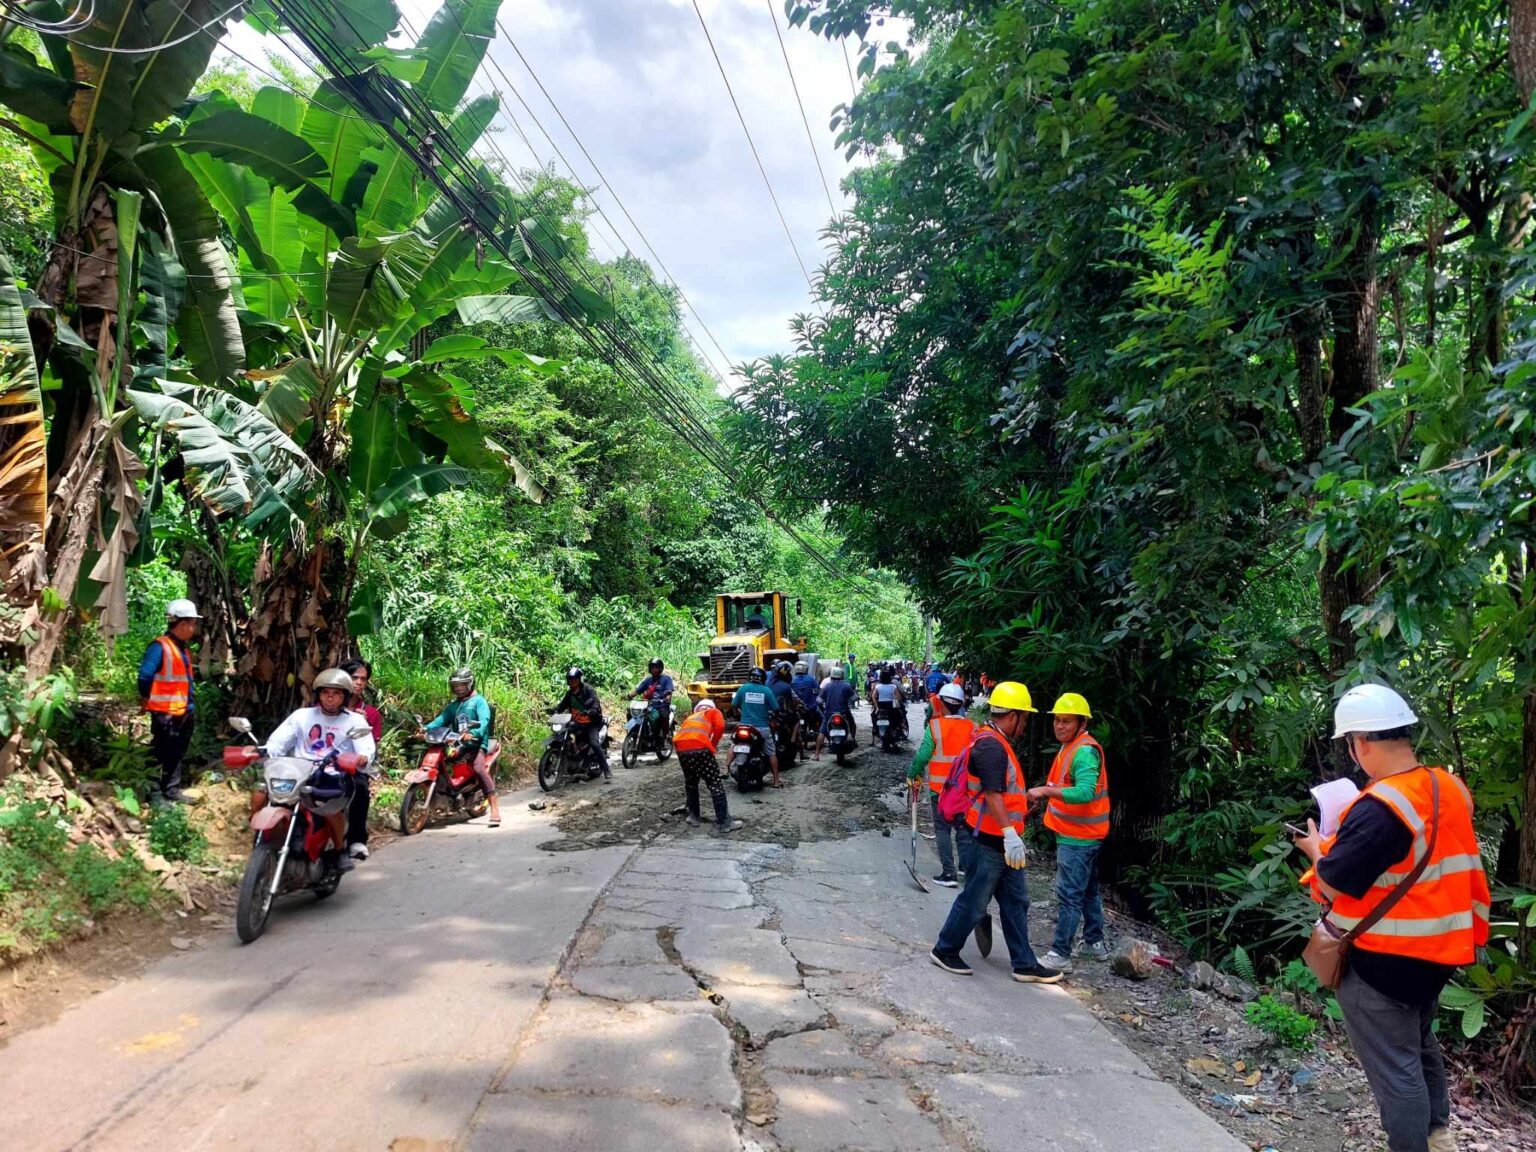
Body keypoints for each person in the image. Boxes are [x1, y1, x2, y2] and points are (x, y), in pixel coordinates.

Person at [1294, 685, 1488, 1152]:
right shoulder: (1449, 788)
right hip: (1441, 953)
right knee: (1420, 1048)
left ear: (1359, 742)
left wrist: (1316, 849)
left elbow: (1338, 882)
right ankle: (1437, 1134)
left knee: (1397, 1072)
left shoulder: (1383, 806)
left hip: (1383, 962)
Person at [929, 681, 1062, 984]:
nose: (1025, 725)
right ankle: (945, 949)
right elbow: (992, 795)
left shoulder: (993, 742)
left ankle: (1024, 963)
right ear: (1012, 715)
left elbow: (1003, 793)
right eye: (1025, 718)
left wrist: (1025, 801)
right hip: (989, 841)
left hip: (1001, 840)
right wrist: (1011, 835)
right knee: (975, 900)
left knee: (1016, 901)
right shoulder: (991, 746)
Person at [265, 668, 378, 872]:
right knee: (261, 793)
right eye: (326, 693)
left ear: (344, 696)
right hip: (298, 773)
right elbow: (277, 742)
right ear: (318, 694)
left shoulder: (355, 721)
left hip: (334, 774)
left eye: (336, 694)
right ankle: (264, 842)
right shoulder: (301, 716)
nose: (330, 698)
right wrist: (265, 751)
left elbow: (366, 750)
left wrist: (360, 759)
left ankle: (340, 850)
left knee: (330, 808)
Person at [1028, 693, 1110, 972]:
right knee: (1087, 891)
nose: (1059, 726)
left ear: (1081, 723)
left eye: (1066, 721)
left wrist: (1046, 791)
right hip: (1083, 834)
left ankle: (1060, 953)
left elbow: (1085, 792)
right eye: (1057, 720)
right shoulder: (1071, 746)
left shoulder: (1084, 751)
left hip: (1079, 837)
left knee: (1069, 895)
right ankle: (1094, 943)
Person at [907, 682, 975, 887]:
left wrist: (913, 773)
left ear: (941, 704)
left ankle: (948, 873)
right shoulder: (973, 727)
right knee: (963, 830)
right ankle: (965, 868)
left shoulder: (935, 726)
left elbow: (923, 755)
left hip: (941, 790)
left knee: (943, 829)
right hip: (965, 790)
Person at [138, 598, 201, 806]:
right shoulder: (160, 647)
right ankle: (155, 792)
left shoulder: (181, 648)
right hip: (165, 712)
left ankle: (172, 790)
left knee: (176, 751)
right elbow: (145, 676)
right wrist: (146, 699)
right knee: (159, 751)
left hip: (183, 710)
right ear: (183, 624)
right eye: (192, 623)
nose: (194, 628)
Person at [425, 668, 501, 828]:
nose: (459, 688)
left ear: (470, 684)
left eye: (462, 685)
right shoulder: (454, 706)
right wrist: (425, 728)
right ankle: (444, 795)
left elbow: (484, 720)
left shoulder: (479, 701)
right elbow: (440, 720)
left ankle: (494, 808)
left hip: (477, 743)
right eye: (456, 685)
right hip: (459, 743)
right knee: (442, 761)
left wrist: (473, 733)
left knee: (479, 768)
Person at [672, 699, 743, 835]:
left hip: (681, 750)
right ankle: (725, 822)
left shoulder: (690, 717)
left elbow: (681, 736)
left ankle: (693, 817)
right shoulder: (713, 712)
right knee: (714, 783)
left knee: (691, 782)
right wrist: (713, 745)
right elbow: (721, 726)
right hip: (701, 748)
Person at [338, 658, 382, 859]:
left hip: (352, 764)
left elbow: (370, 746)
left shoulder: (370, 713)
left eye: (363, 679)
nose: (359, 683)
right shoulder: (326, 703)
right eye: (354, 677)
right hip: (321, 760)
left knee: (361, 789)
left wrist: (361, 723)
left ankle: (357, 840)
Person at [731, 667, 782, 787]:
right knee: (771, 753)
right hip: (762, 728)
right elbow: (776, 709)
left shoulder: (743, 688)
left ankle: (726, 768)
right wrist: (775, 716)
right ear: (763, 679)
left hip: (744, 726)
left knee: (734, 744)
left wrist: (738, 714)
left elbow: (734, 705)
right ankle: (776, 781)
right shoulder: (766, 690)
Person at [553, 666, 608, 780]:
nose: (573, 682)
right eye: (570, 680)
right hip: (576, 722)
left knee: (594, 744)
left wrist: (593, 710)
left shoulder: (588, 690)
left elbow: (595, 702)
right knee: (562, 736)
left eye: (575, 680)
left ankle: (606, 769)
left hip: (591, 724)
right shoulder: (569, 694)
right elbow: (562, 706)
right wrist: (554, 710)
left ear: (580, 680)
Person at [814, 664, 859, 760]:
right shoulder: (846, 686)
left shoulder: (826, 687)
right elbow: (854, 698)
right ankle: (852, 738)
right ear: (842, 676)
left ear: (831, 675)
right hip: (844, 713)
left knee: (822, 731)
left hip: (829, 714)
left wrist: (823, 707)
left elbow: (818, 701)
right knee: (852, 723)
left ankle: (817, 754)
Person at [633, 658, 676, 748]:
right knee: (634, 715)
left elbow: (669, 692)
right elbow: (637, 691)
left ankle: (665, 737)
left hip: (662, 705)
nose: (654, 669)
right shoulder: (647, 680)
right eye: (652, 667)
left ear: (660, 668)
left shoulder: (666, 679)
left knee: (663, 716)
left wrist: (667, 698)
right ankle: (639, 735)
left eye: (656, 667)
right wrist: (627, 696)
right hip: (650, 706)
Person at [873, 665, 908, 740]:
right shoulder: (893, 686)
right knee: (899, 715)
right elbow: (899, 697)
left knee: (873, 715)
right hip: (890, 705)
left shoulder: (878, 686)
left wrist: (876, 707)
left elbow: (873, 696)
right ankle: (901, 726)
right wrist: (897, 704)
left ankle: (875, 728)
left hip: (881, 705)